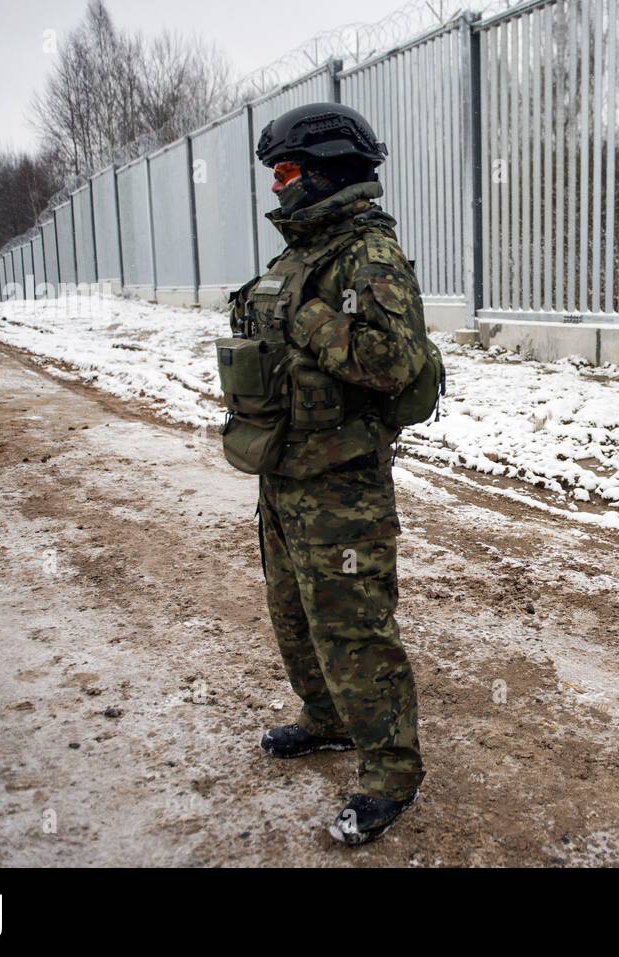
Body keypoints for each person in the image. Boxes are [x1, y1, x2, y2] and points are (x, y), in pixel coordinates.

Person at [222, 103, 432, 846]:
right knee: (295, 615)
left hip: (342, 486)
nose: (276, 189)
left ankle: (392, 772)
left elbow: (397, 361)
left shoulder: (366, 255)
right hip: (283, 471)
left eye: (285, 173)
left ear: (325, 170)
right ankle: (327, 719)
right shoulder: (303, 254)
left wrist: (308, 322)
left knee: (353, 626)